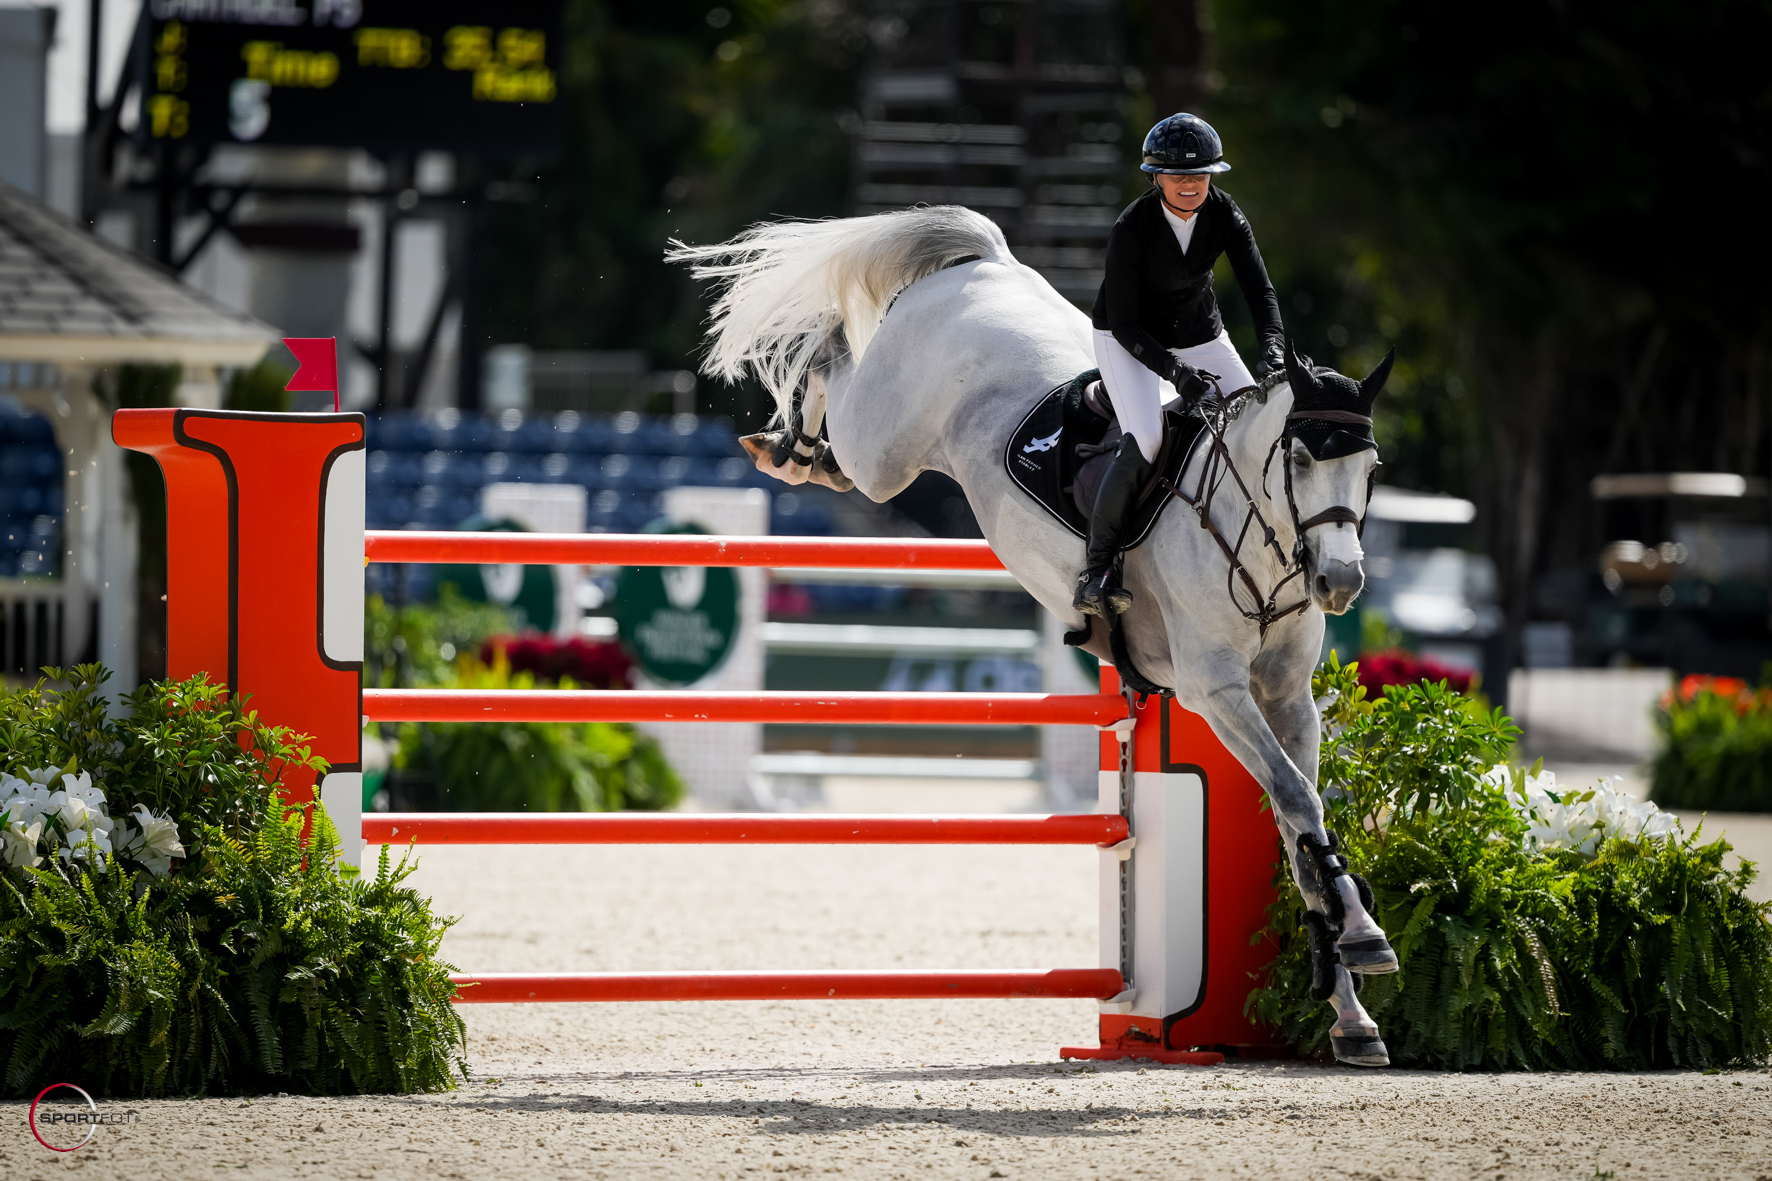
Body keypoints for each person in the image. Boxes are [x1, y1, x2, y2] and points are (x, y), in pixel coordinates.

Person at [1074, 112, 1286, 616]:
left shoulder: (1226, 214)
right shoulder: (1132, 228)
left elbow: (1259, 290)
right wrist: (1174, 374)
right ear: (1155, 178)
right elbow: (1126, 325)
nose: (1190, 184)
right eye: (1177, 175)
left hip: (1199, 334)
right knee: (1146, 438)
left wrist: (1274, 347)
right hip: (1128, 339)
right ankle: (1098, 568)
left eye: (1200, 174)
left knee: (1257, 419)